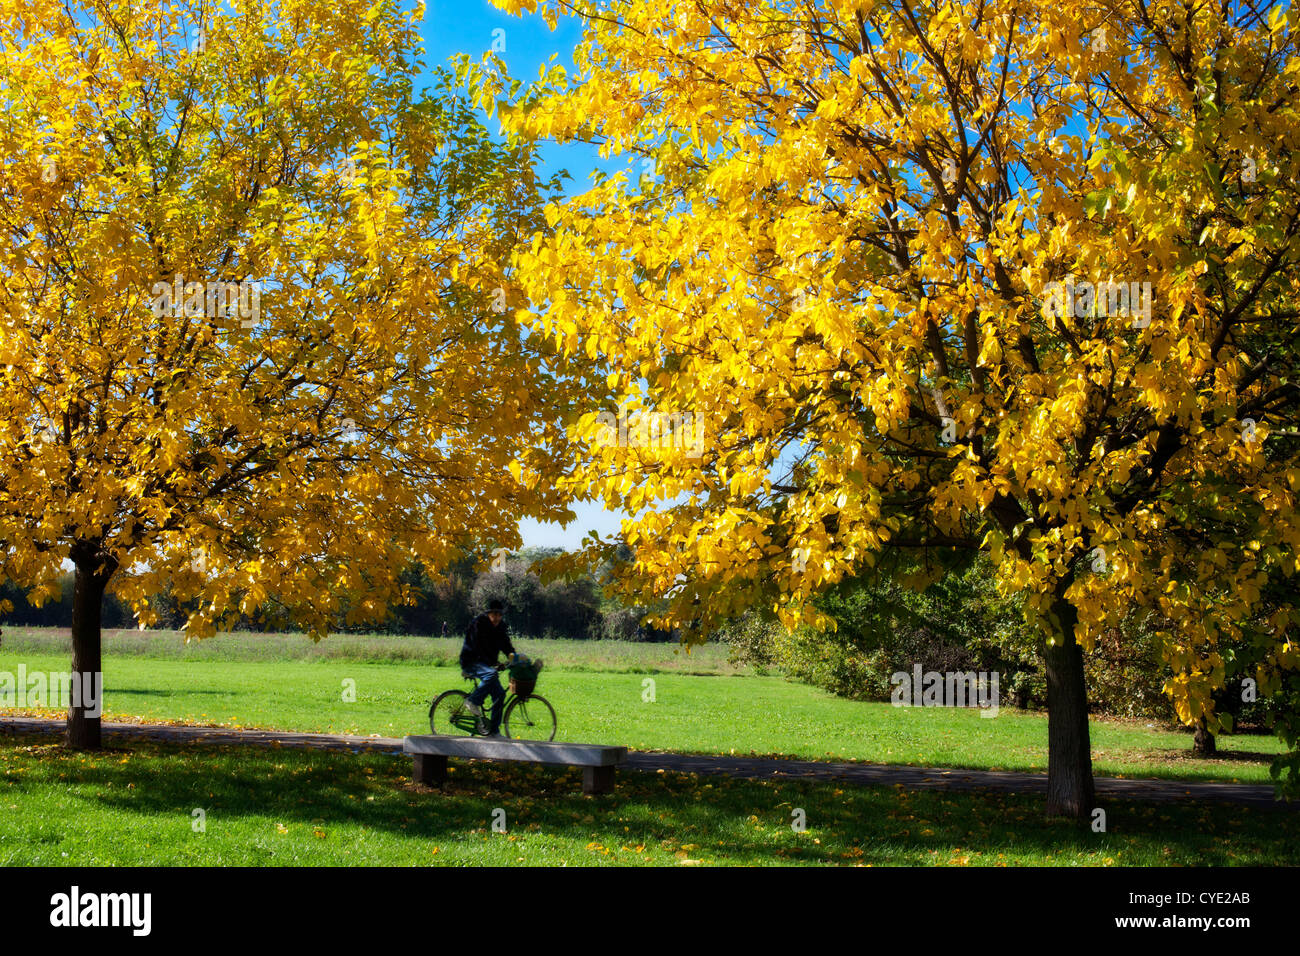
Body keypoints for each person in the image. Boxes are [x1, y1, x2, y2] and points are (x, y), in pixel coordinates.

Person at [459, 599, 515, 736]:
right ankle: (472, 701)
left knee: (500, 695)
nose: (496, 618)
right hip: (471, 661)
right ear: (488, 614)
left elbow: (505, 644)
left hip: (485, 664)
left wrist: (513, 656)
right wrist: (493, 663)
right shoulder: (478, 624)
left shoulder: (500, 627)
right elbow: (477, 647)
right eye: (494, 614)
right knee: (491, 674)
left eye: (499, 615)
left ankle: (493, 732)